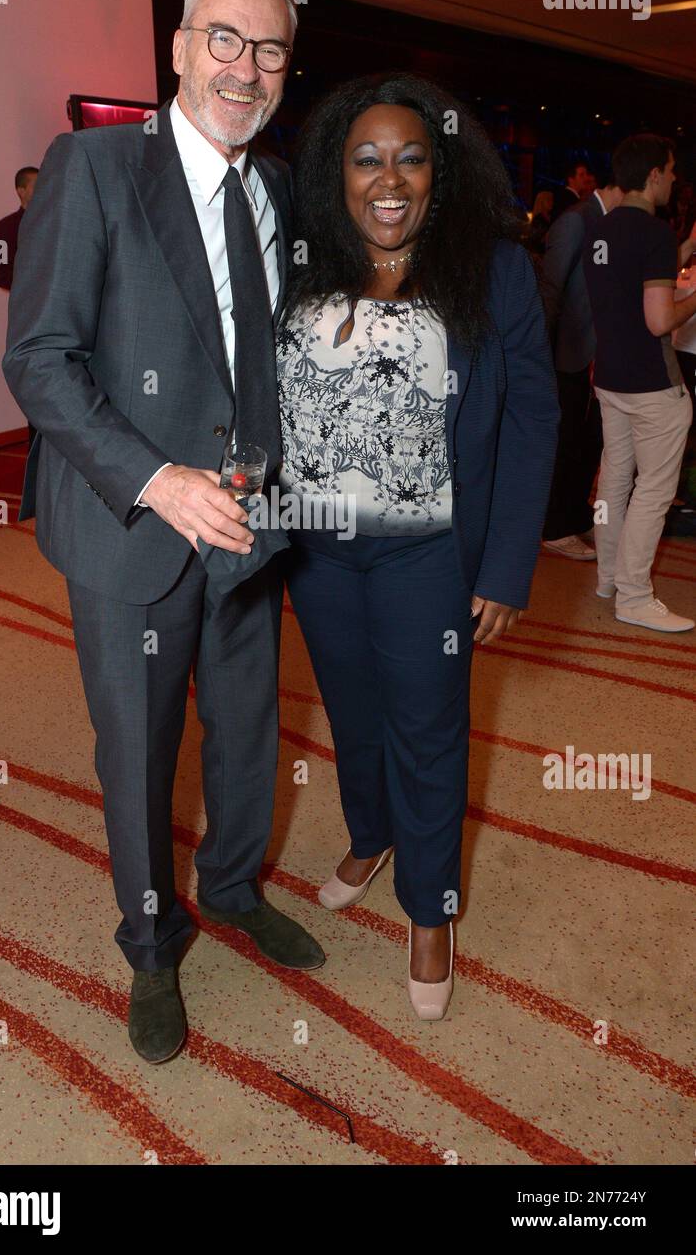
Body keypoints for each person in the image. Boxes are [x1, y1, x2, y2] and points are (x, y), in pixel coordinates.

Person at [3, 0, 324, 1066]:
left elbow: (265, 354)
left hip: (246, 525)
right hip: (134, 524)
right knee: (138, 752)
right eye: (225, 39)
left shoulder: (273, 185)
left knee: (245, 734)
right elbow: (39, 361)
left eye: (270, 48)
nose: (246, 67)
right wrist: (157, 477)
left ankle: (230, 887)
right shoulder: (92, 170)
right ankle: (149, 941)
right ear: (181, 47)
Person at [276, 73, 560, 1020]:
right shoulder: (300, 262)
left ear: (440, 170)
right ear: (336, 172)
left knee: (428, 728)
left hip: (428, 552)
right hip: (315, 547)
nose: (386, 179)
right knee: (351, 714)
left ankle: (430, 907)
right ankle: (370, 832)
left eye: (409, 157)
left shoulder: (492, 268)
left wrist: (505, 565)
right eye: (365, 159)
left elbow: (530, 420)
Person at [583, 134, 696, 632]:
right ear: (653, 174)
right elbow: (658, 320)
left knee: (614, 480)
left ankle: (609, 576)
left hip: (609, 377)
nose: (674, 178)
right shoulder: (654, 234)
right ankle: (633, 594)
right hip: (652, 385)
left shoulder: (600, 228)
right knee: (652, 491)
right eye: (670, 170)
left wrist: (686, 248)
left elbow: (628, 283)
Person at [539, 180, 624, 558]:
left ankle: (574, 515)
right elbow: (551, 289)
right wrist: (540, 355)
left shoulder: (607, 222)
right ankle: (555, 526)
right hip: (562, 355)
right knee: (566, 442)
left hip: (592, 354)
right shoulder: (577, 220)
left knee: (588, 440)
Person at [0, 167, 38, 291]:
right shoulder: (3, 228)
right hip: (28, 304)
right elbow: (1, 276)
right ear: (21, 191)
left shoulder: (56, 223)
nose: (44, 190)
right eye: (38, 185)